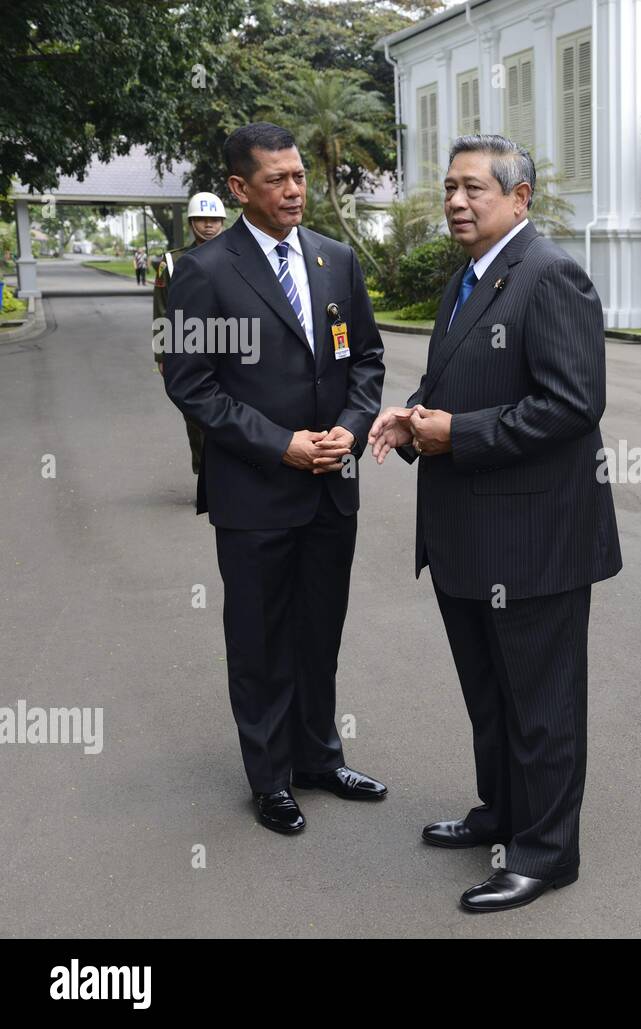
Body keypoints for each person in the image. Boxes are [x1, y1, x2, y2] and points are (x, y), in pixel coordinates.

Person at [368, 133, 621, 913]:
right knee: (491, 695)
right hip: (469, 535)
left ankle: (546, 854)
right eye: (449, 187)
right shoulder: (467, 280)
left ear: (520, 198)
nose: (455, 200)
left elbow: (573, 405)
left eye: (474, 188)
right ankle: (503, 815)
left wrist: (458, 434)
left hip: (534, 540)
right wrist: (413, 420)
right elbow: (457, 384)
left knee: (541, 703)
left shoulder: (552, 276)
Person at [163, 123, 388, 832]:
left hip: (331, 484)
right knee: (260, 639)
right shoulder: (204, 271)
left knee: (320, 630)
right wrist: (280, 443)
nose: (295, 190)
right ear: (239, 188)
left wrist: (349, 428)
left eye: (298, 176)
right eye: (277, 180)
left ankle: (318, 755)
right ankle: (270, 777)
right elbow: (191, 384)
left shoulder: (334, 259)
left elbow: (368, 360)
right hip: (255, 493)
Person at [153, 191, 228, 476]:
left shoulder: (238, 254)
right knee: (196, 413)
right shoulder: (171, 263)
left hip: (231, 342)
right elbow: (161, 310)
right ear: (191, 222)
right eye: (202, 219)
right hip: (189, 346)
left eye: (214, 220)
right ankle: (204, 472)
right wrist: (162, 353)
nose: (209, 225)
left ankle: (232, 473)